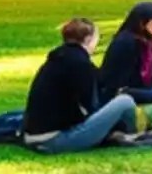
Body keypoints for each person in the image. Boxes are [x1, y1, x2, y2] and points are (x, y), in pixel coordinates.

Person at [23, 18, 138, 154]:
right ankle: (131, 133)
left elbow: (100, 78)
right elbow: (90, 106)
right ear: (88, 39)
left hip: (33, 137)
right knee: (125, 101)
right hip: (55, 140)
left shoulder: (59, 58)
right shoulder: (80, 64)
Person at [99, 2, 152, 105]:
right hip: (120, 94)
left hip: (140, 90)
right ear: (144, 22)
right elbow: (116, 84)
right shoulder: (126, 42)